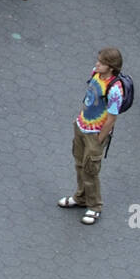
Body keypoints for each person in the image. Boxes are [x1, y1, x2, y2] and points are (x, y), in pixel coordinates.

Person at [58, 47, 124, 225]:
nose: (97, 64)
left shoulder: (115, 89)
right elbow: (88, 97)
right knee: (79, 164)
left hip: (95, 133)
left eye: (101, 63)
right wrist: (79, 118)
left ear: (111, 67)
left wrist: (99, 139)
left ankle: (95, 206)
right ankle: (80, 198)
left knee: (90, 171)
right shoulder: (95, 74)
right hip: (81, 126)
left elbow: (111, 119)